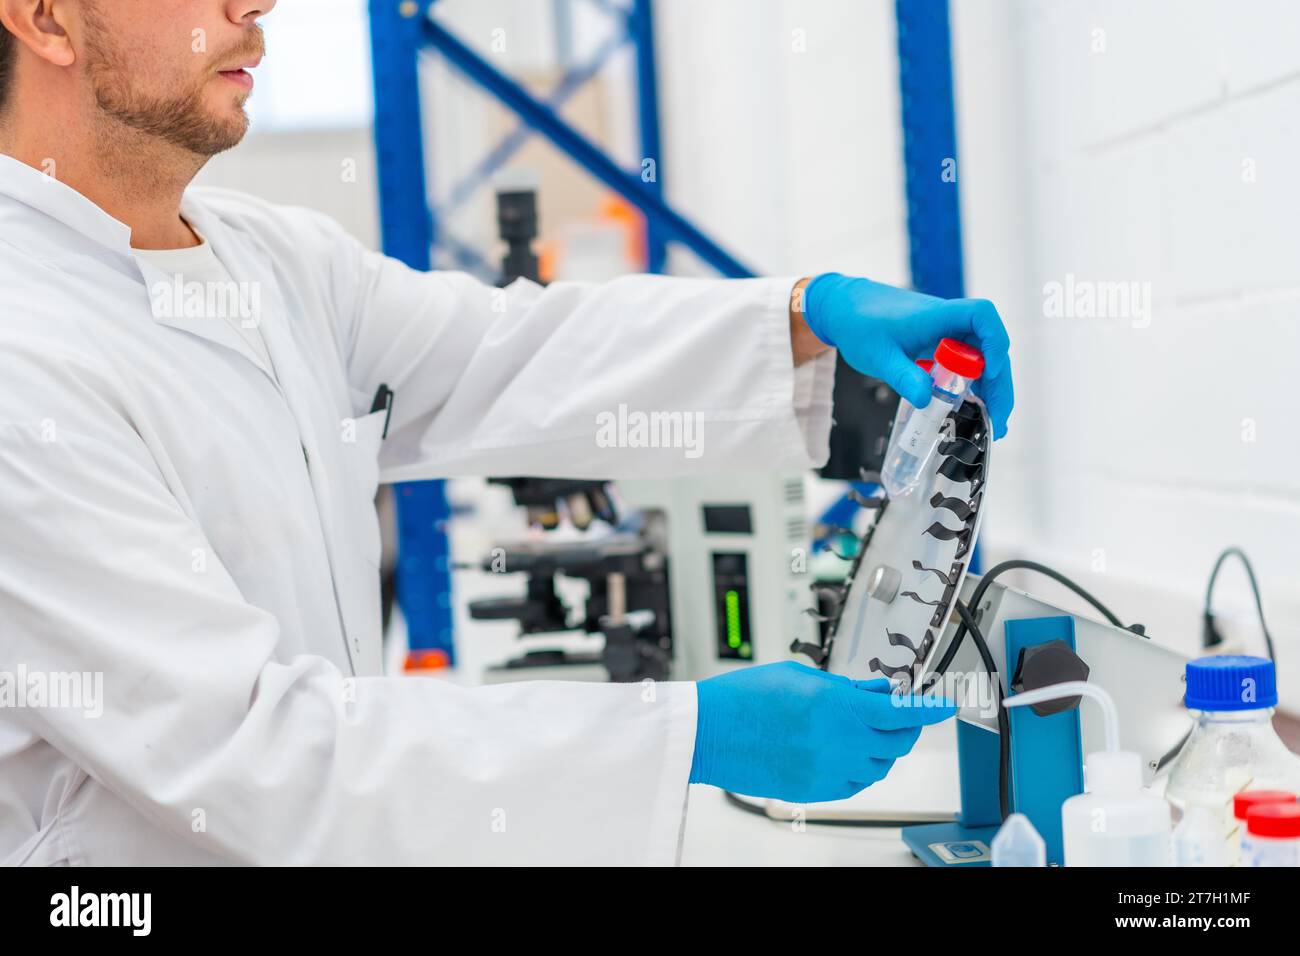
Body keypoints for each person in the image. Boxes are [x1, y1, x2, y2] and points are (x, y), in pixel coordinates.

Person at [0, 0, 1013, 865]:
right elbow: (256, 748)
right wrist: (691, 729)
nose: (257, 3)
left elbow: (507, 352)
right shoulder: (22, 353)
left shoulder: (274, 259)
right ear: (43, 15)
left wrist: (803, 315)